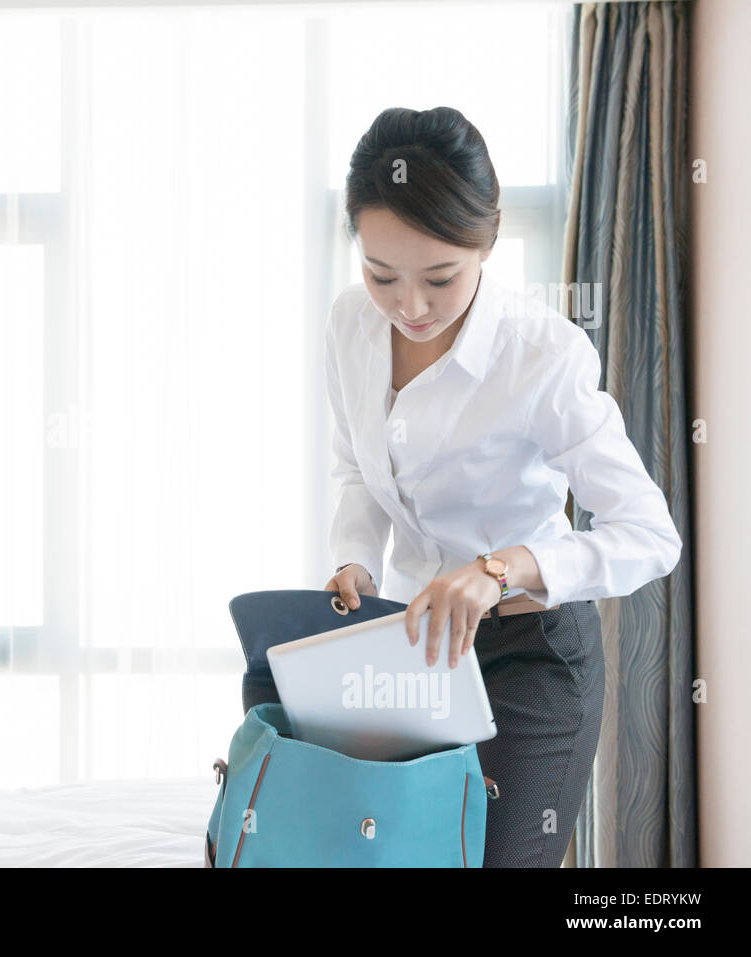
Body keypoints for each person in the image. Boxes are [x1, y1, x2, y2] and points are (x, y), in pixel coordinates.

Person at [321, 106, 682, 867]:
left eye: (440, 277)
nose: (408, 306)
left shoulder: (541, 354)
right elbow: (355, 464)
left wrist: (501, 569)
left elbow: (652, 536)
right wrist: (354, 556)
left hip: (532, 657)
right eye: (381, 274)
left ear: (488, 240)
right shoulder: (351, 325)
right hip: (414, 644)